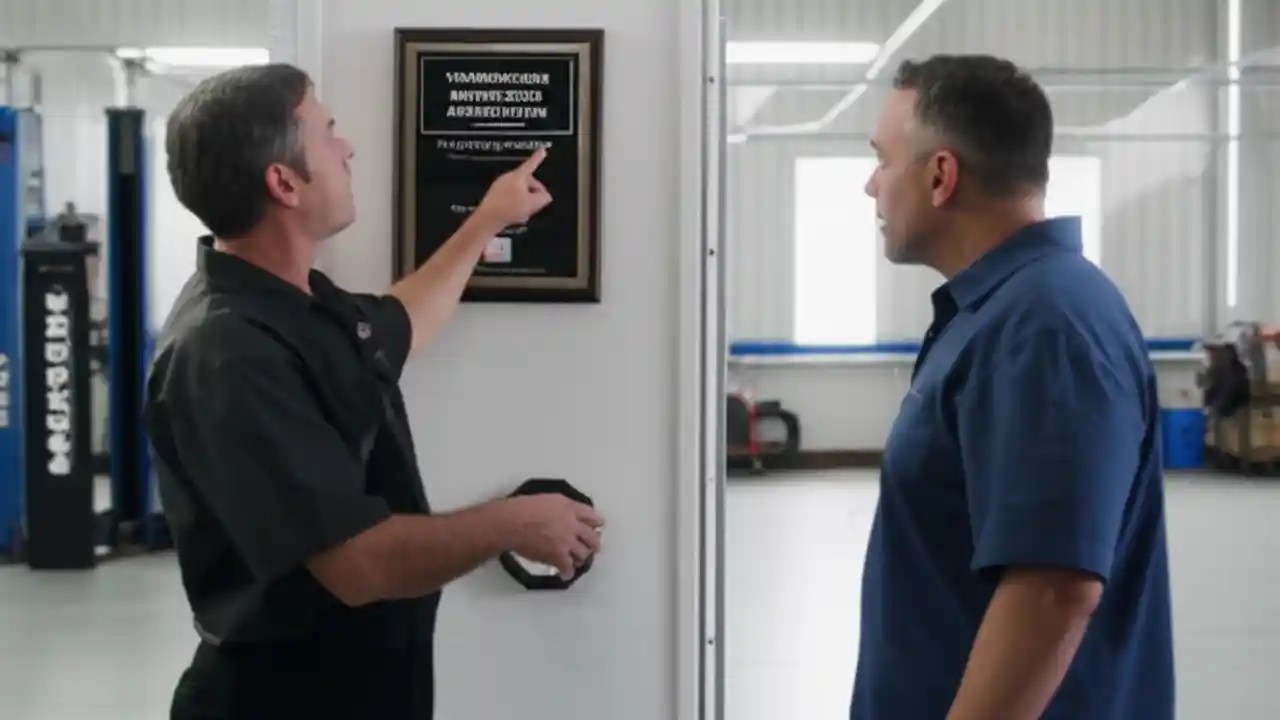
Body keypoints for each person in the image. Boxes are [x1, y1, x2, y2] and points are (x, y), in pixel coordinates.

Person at [143, 63, 605, 719]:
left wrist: (488, 220)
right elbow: (357, 566)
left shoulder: (297, 304)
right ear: (284, 182)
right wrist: (516, 521)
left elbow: (405, 319)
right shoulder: (227, 355)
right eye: (328, 132)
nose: (348, 146)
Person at [852, 54, 1174, 719]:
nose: (870, 186)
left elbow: (1052, 588)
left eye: (882, 161)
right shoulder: (1004, 313)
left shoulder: (1048, 324)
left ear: (941, 175)